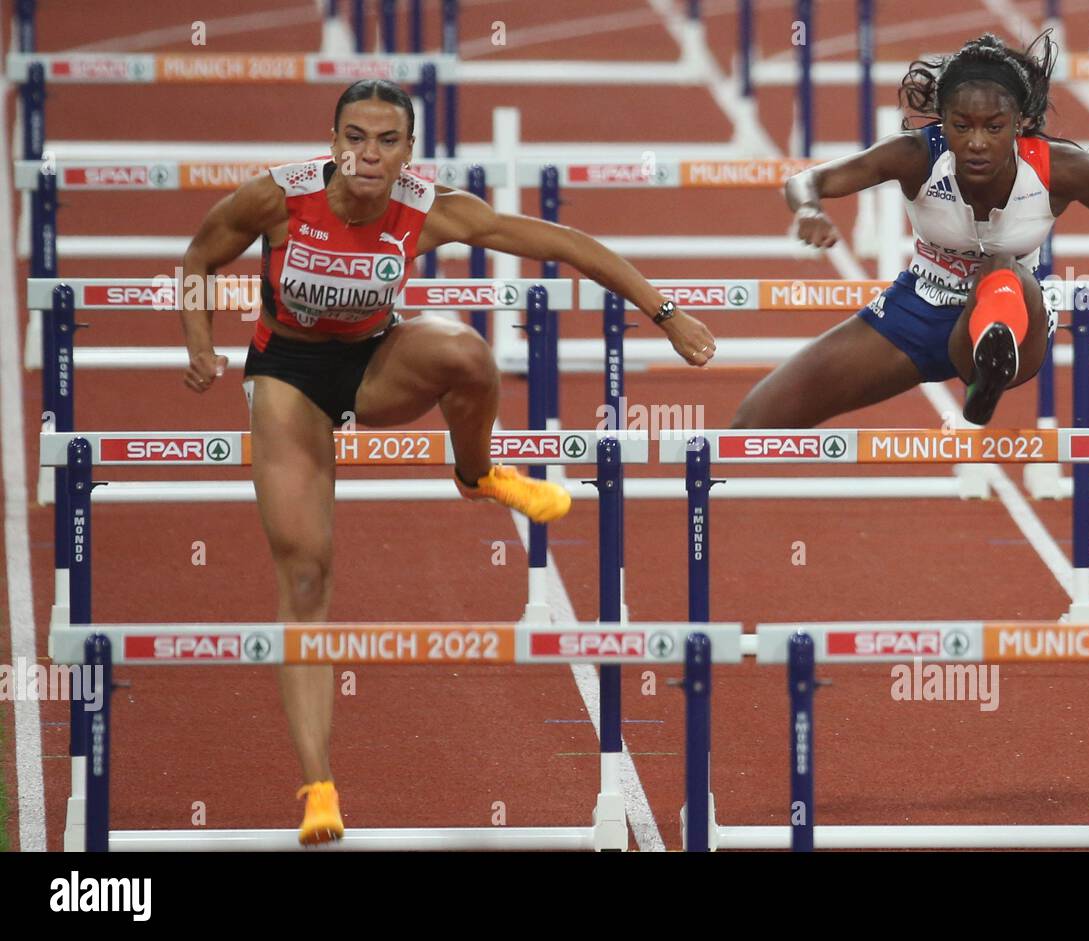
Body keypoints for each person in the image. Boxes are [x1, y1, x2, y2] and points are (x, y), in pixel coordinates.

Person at [178, 79, 717, 845]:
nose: (367, 154)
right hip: (287, 375)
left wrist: (663, 312)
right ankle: (320, 785)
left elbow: (562, 244)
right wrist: (199, 341)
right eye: (354, 137)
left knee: (466, 352)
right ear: (332, 143)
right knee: (305, 574)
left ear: (409, 150)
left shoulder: (426, 209)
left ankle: (477, 474)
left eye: (386, 140)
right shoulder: (278, 198)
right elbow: (200, 255)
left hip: (374, 363)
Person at [733, 32, 1089, 430]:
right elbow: (807, 180)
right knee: (754, 421)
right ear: (943, 121)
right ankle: (982, 362)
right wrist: (809, 210)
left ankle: (988, 366)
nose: (976, 142)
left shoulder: (1056, 167)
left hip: (1018, 316)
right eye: (961, 126)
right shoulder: (916, 156)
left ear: (1019, 123)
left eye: (994, 128)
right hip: (918, 307)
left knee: (1001, 268)